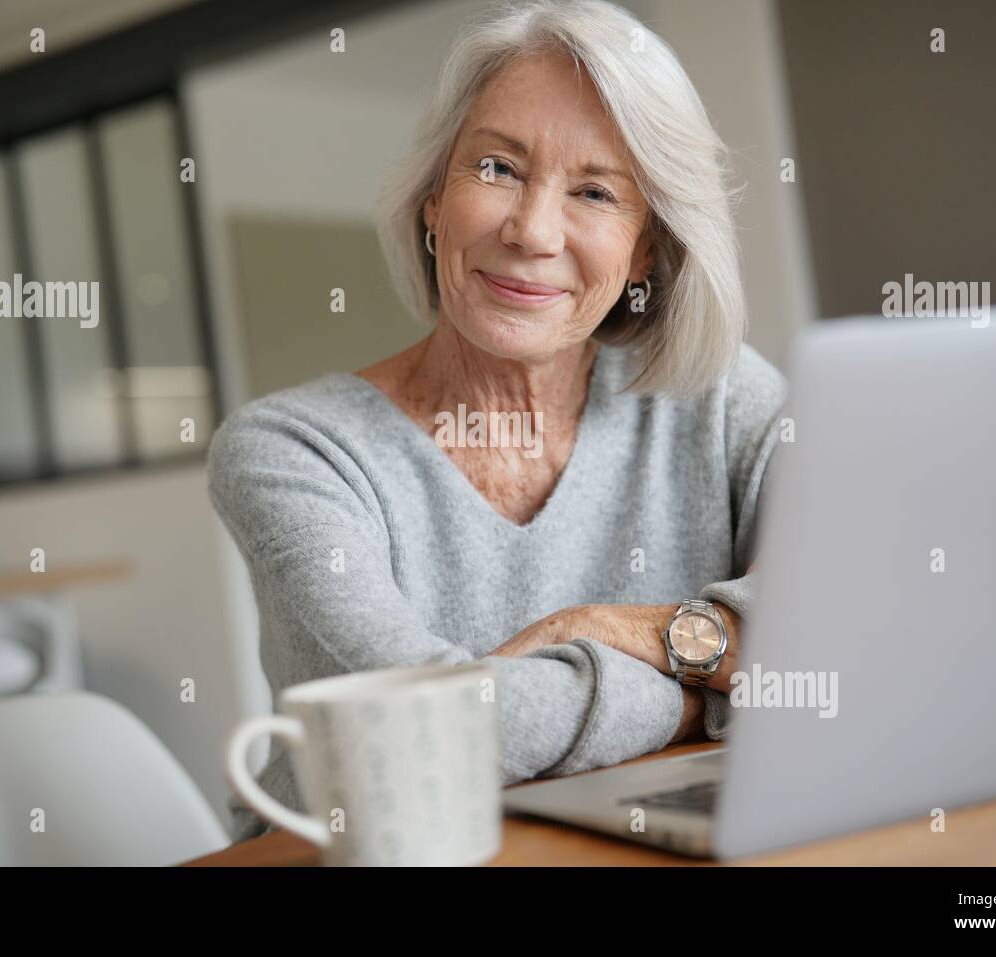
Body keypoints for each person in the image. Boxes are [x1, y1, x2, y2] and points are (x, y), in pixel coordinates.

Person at [207, 0, 787, 841]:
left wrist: (611, 629)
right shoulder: (291, 452)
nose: (532, 229)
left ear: (646, 251)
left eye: (594, 191)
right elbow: (433, 729)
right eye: (497, 169)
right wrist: (710, 673)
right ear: (434, 200)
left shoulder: (722, 398)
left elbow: (842, 636)